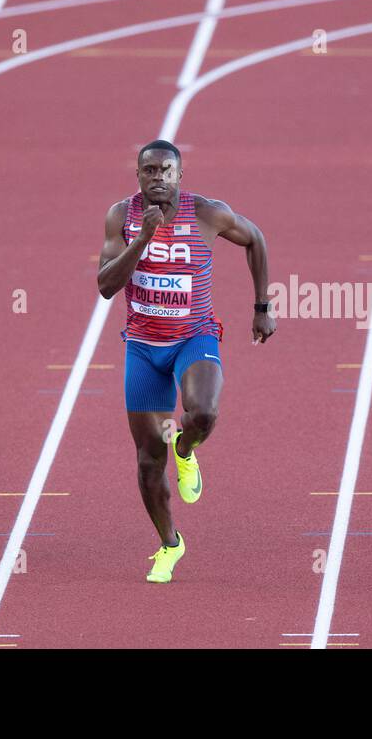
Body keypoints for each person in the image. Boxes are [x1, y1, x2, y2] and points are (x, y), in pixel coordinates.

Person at [97, 140, 275, 582]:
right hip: (142, 346)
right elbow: (104, 285)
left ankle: (187, 448)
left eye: (165, 170)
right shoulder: (122, 217)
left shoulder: (208, 213)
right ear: (137, 176)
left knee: (204, 412)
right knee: (146, 463)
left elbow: (255, 239)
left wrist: (261, 307)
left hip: (193, 337)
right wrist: (142, 239)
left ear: (180, 174)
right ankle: (170, 544)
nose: (157, 177)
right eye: (149, 170)